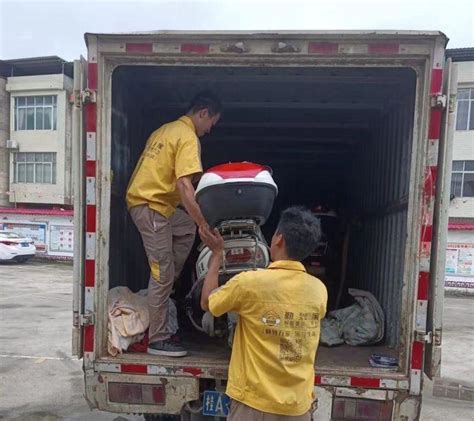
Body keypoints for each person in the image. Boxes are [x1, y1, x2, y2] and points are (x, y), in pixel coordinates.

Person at [200, 207, 328, 420]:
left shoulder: (250, 283)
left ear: (279, 239)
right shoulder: (319, 290)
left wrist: (217, 255)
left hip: (253, 405)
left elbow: (207, 302)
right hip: (297, 408)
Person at [126, 90, 222, 357]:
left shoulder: (164, 131)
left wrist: (195, 221)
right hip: (151, 209)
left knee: (185, 226)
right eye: (211, 123)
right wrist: (204, 223)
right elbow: (184, 185)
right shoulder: (188, 137)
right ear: (204, 113)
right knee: (162, 274)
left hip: (157, 207)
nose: (209, 130)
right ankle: (158, 339)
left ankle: (167, 282)